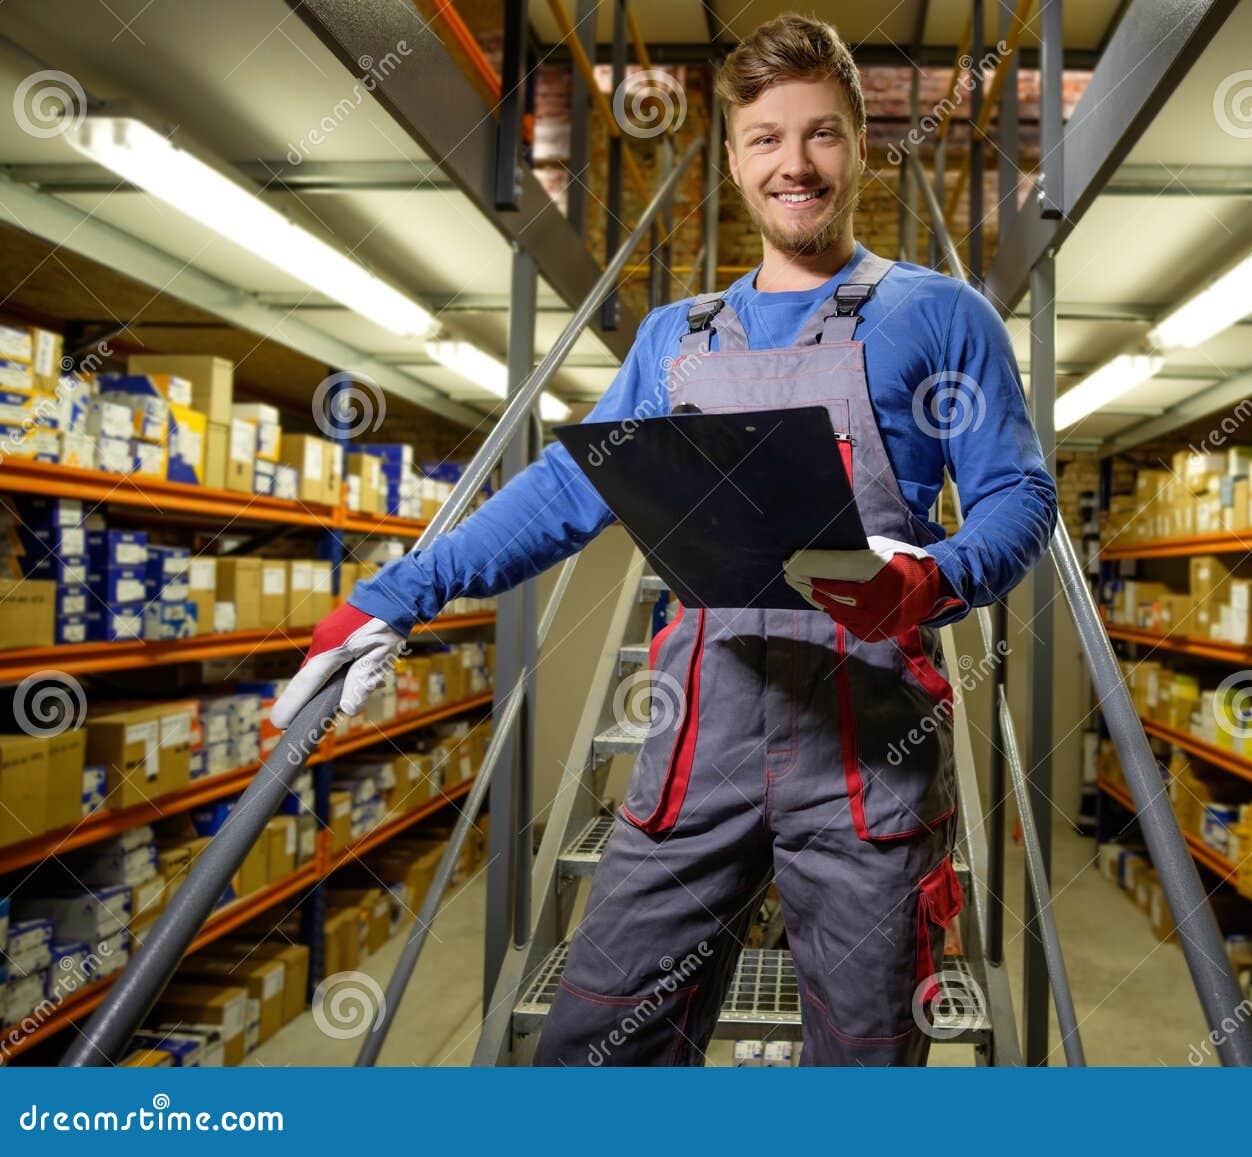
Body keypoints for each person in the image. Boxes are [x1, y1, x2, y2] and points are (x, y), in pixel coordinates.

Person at [272, 13, 1056, 1066]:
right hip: (697, 749)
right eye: (767, 138)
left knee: (866, 1065)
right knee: (596, 1056)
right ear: (733, 158)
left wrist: (931, 579)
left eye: (822, 134)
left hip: (870, 753)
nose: (796, 164)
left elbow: (1016, 496)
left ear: (862, 146)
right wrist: (396, 593)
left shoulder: (937, 314)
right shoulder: (673, 339)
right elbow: (565, 488)